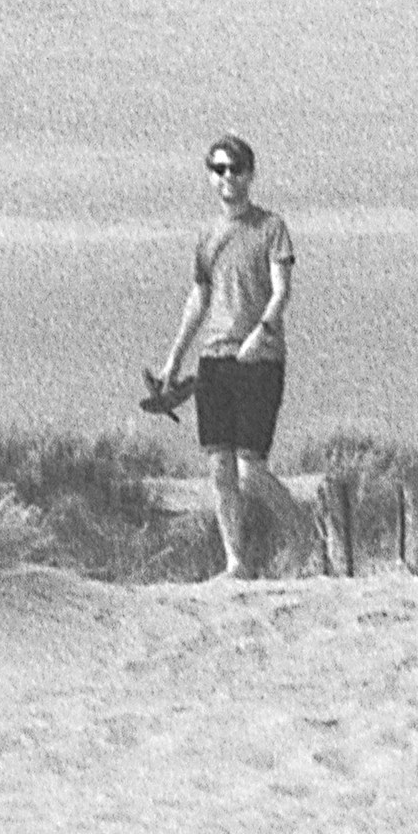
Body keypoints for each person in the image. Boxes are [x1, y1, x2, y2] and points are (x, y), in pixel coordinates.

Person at [148, 136, 300, 580]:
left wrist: (263, 331)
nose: (227, 177)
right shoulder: (207, 235)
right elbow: (199, 296)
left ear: (250, 173)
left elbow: (281, 291)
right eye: (218, 169)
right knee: (219, 468)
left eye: (234, 168)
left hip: (260, 358)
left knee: (251, 468)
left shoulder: (272, 227)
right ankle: (236, 562)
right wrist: (174, 359)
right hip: (213, 358)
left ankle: (304, 534)